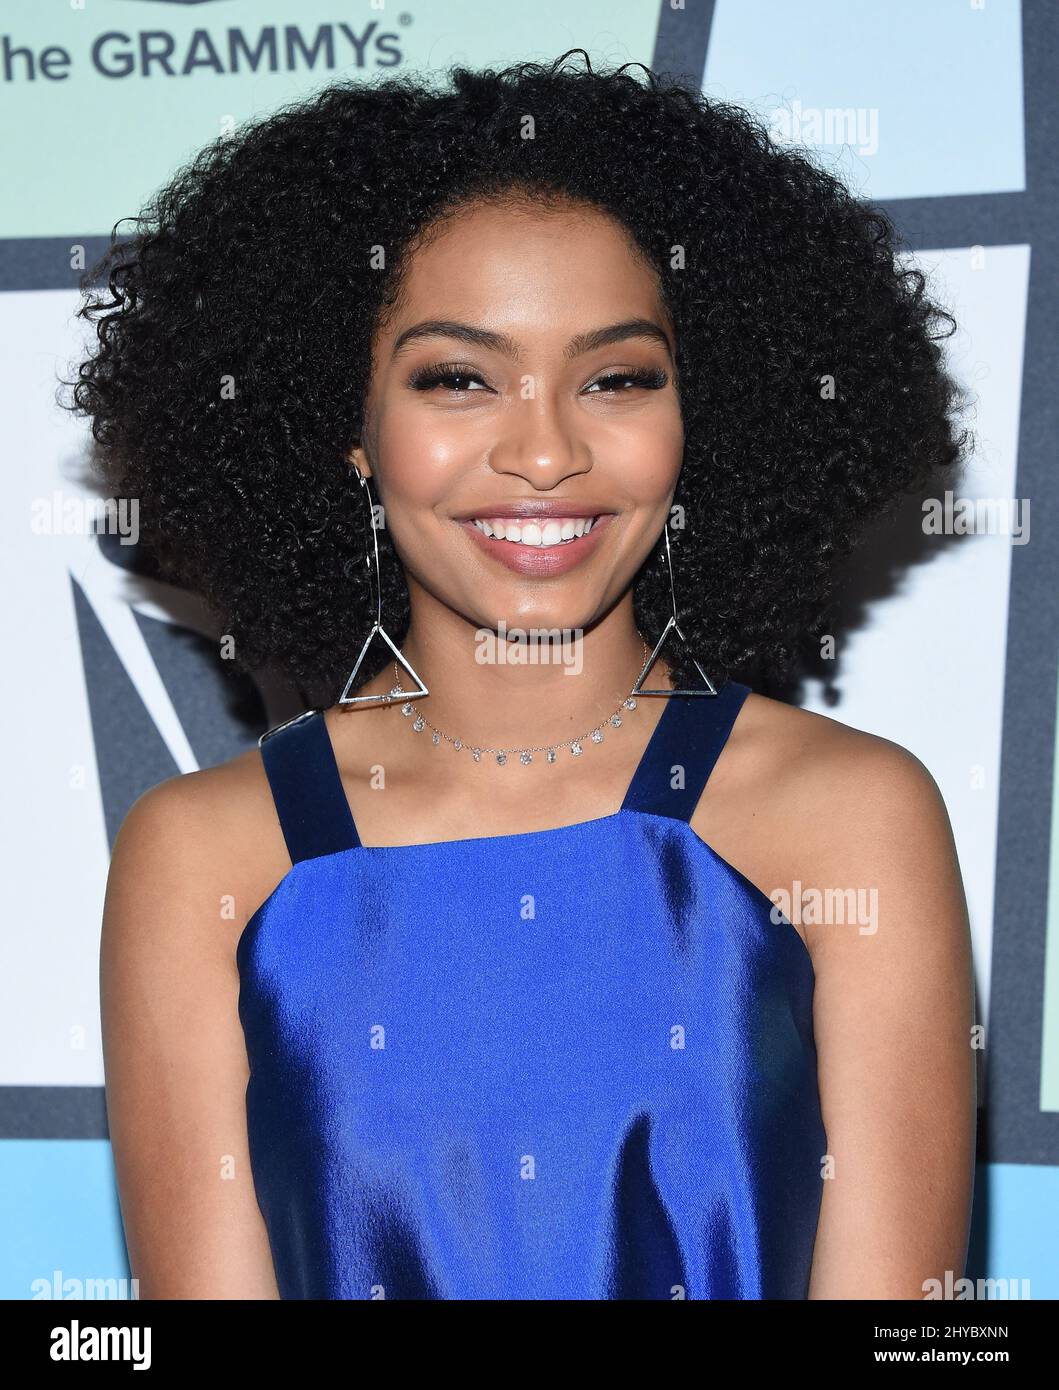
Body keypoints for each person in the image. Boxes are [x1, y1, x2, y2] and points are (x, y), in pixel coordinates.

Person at [68, 51, 976, 1299]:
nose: (545, 450)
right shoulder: (206, 857)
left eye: (617, 378)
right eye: (457, 377)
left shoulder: (849, 818)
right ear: (348, 424)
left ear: (699, 415)